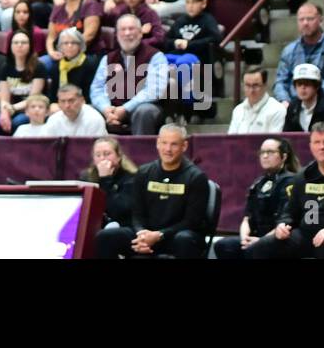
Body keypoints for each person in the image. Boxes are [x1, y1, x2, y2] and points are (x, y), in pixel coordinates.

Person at [94, 124, 210, 258]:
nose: (168, 149)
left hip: (175, 236)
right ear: (157, 143)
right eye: (164, 143)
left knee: (185, 239)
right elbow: (137, 213)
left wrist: (159, 235)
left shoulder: (196, 177)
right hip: (146, 234)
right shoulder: (144, 172)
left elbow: (192, 221)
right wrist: (142, 234)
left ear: (184, 146)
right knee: (106, 236)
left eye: (174, 144)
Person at [250, 124, 324, 259]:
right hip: (305, 235)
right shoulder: (303, 175)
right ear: (311, 146)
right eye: (317, 142)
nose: (322, 147)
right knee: (262, 247)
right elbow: (289, 212)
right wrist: (282, 225)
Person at [214, 138, 300, 259]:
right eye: (262, 152)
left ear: (284, 156)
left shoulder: (291, 182)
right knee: (223, 245)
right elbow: (246, 218)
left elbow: (287, 221)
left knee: (258, 249)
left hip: (277, 238)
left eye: (270, 152)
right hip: (255, 237)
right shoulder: (258, 183)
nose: (265, 156)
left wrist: (261, 241)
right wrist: (245, 239)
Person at [89, 13, 169, 135]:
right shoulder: (108, 58)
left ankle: (141, 152)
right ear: (117, 34)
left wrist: (125, 109)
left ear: (140, 33)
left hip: (142, 107)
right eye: (123, 29)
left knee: (144, 111)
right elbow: (97, 88)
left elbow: (154, 90)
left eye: (131, 29)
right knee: (87, 111)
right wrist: (106, 109)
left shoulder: (156, 56)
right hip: (112, 108)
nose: (127, 33)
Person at [274, 2, 324, 104]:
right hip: (292, 105)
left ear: (320, 20)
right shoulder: (289, 50)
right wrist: (284, 100)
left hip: (323, 105)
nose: (305, 23)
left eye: (310, 19)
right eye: (301, 19)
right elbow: (280, 82)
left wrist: (307, 99)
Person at [283, 64, 324, 132]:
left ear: (317, 86)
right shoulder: (293, 108)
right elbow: (287, 135)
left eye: (307, 84)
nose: (303, 88)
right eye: (299, 84)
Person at [229, 68, 287, 133]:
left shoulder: (277, 109)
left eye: (255, 85)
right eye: (247, 85)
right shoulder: (238, 110)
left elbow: (274, 140)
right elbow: (231, 140)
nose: (251, 90)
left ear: (265, 85)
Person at [42, 82, 108, 136]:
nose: (67, 105)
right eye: (62, 101)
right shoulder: (53, 120)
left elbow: (97, 150)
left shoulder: (94, 119)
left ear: (82, 100)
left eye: (71, 101)